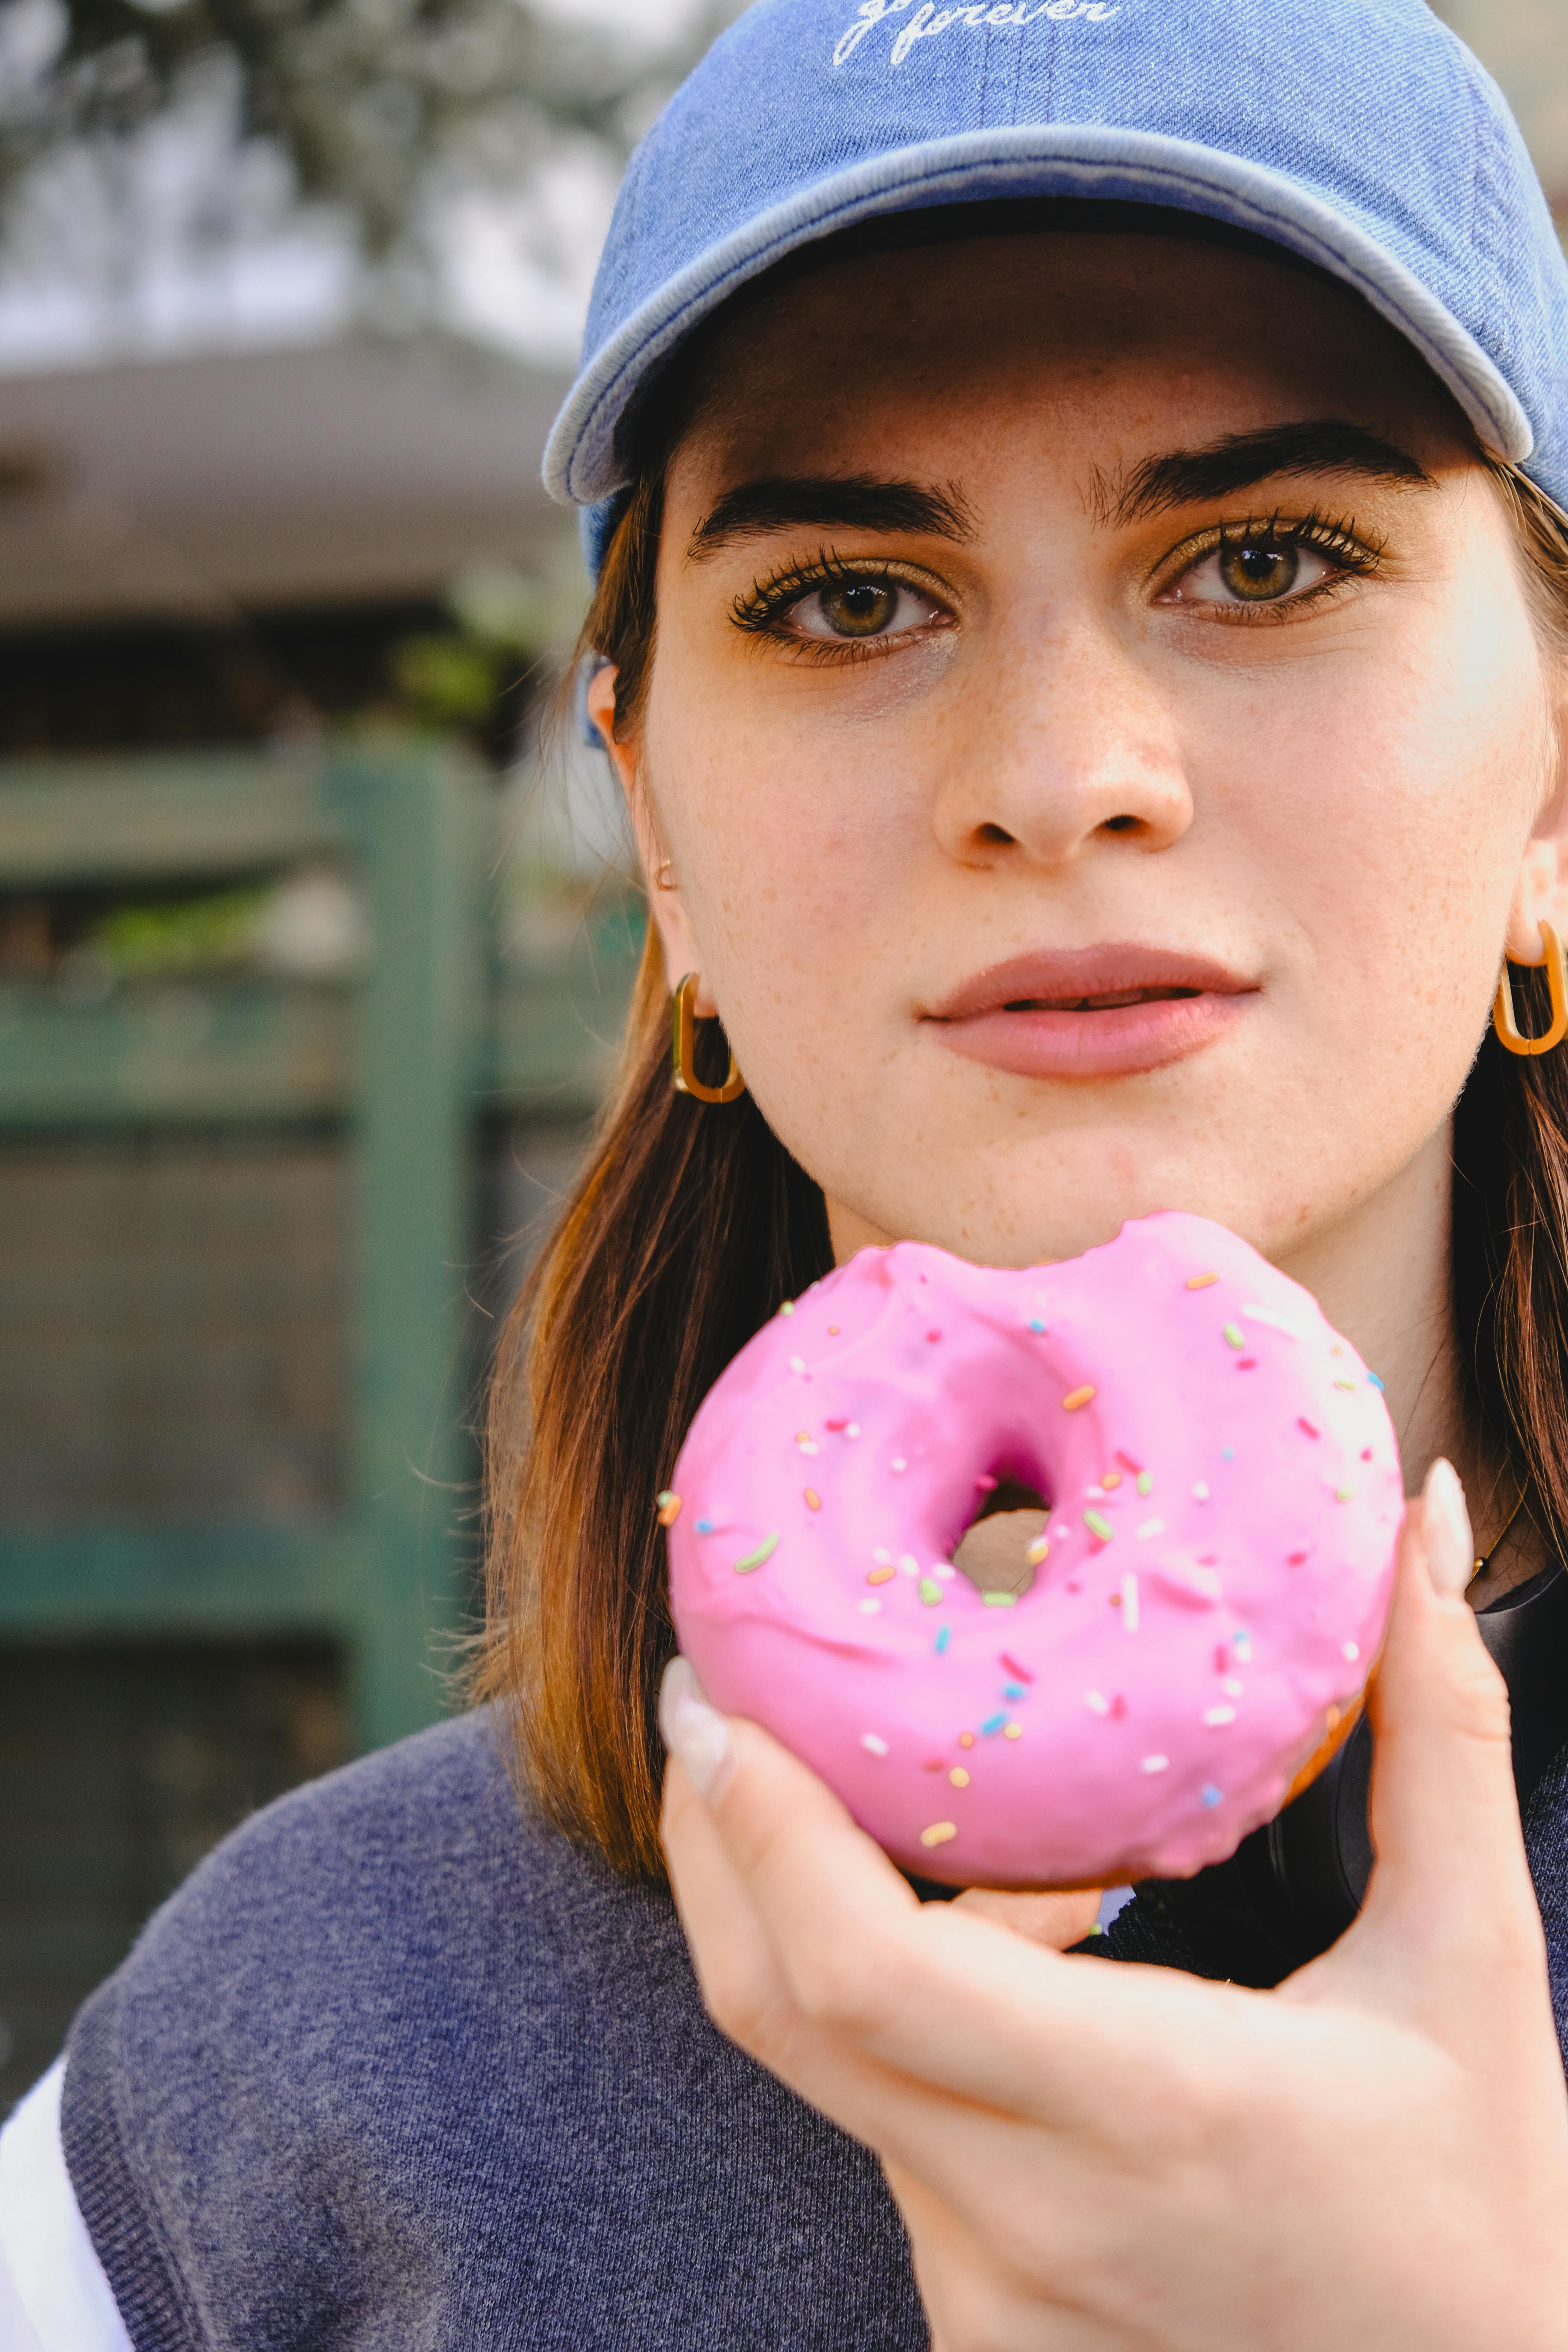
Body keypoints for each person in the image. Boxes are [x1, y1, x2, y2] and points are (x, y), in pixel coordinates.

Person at [5, 0, 1568, 2343]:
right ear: (657, 824)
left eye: (1264, 559)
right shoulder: (244, 2101)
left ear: (1555, 776)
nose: (1065, 773)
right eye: (850, 600)